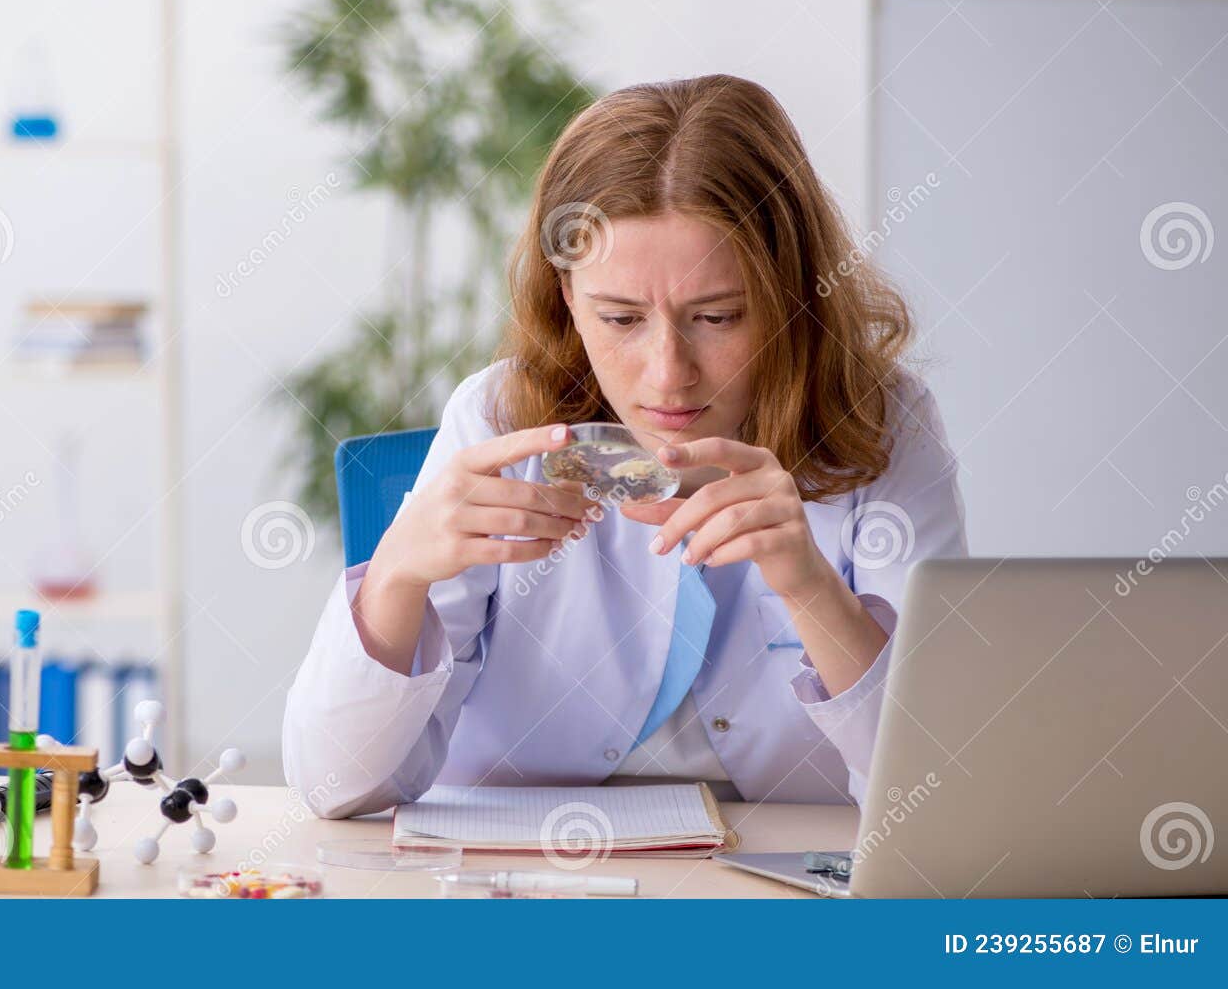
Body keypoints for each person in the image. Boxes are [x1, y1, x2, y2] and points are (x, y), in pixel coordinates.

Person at [283, 74, 967, 818]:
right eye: (619, 318)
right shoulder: (498, 415)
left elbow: (936, 795)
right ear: (567, 297)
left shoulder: (883, 422)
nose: (668, 374)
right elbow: (333, 786)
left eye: (717, 316)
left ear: (790, 295)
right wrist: (398, 573)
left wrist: (810, 587)